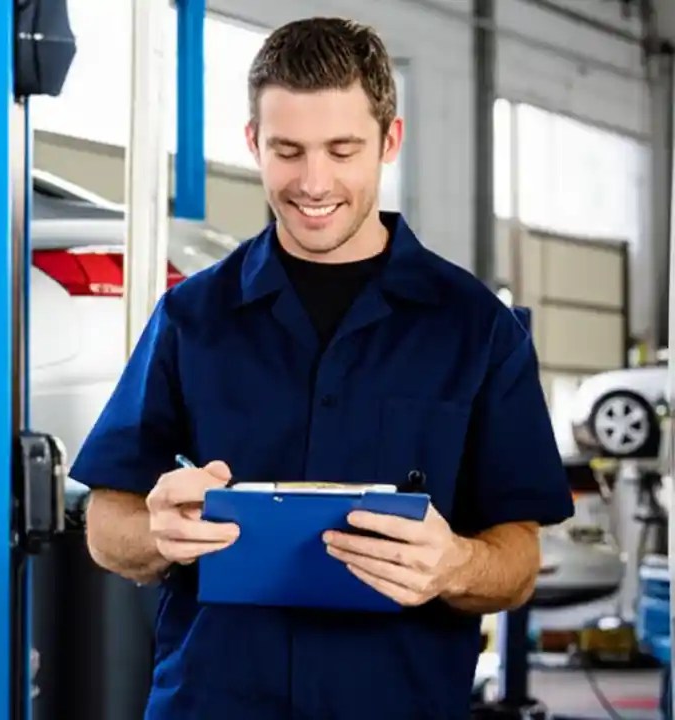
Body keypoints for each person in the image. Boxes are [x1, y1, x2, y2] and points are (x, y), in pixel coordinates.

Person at [70, 16, 575, 720]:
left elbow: (518, 557)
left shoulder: (475, 328)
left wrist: (455, 564)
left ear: (388, 141)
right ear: (253, 144)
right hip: (211, 703)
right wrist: (154, 533)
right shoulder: (193, 317)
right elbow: (105, 523)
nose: (313, 182)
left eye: (342, 150)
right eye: (287, 150)